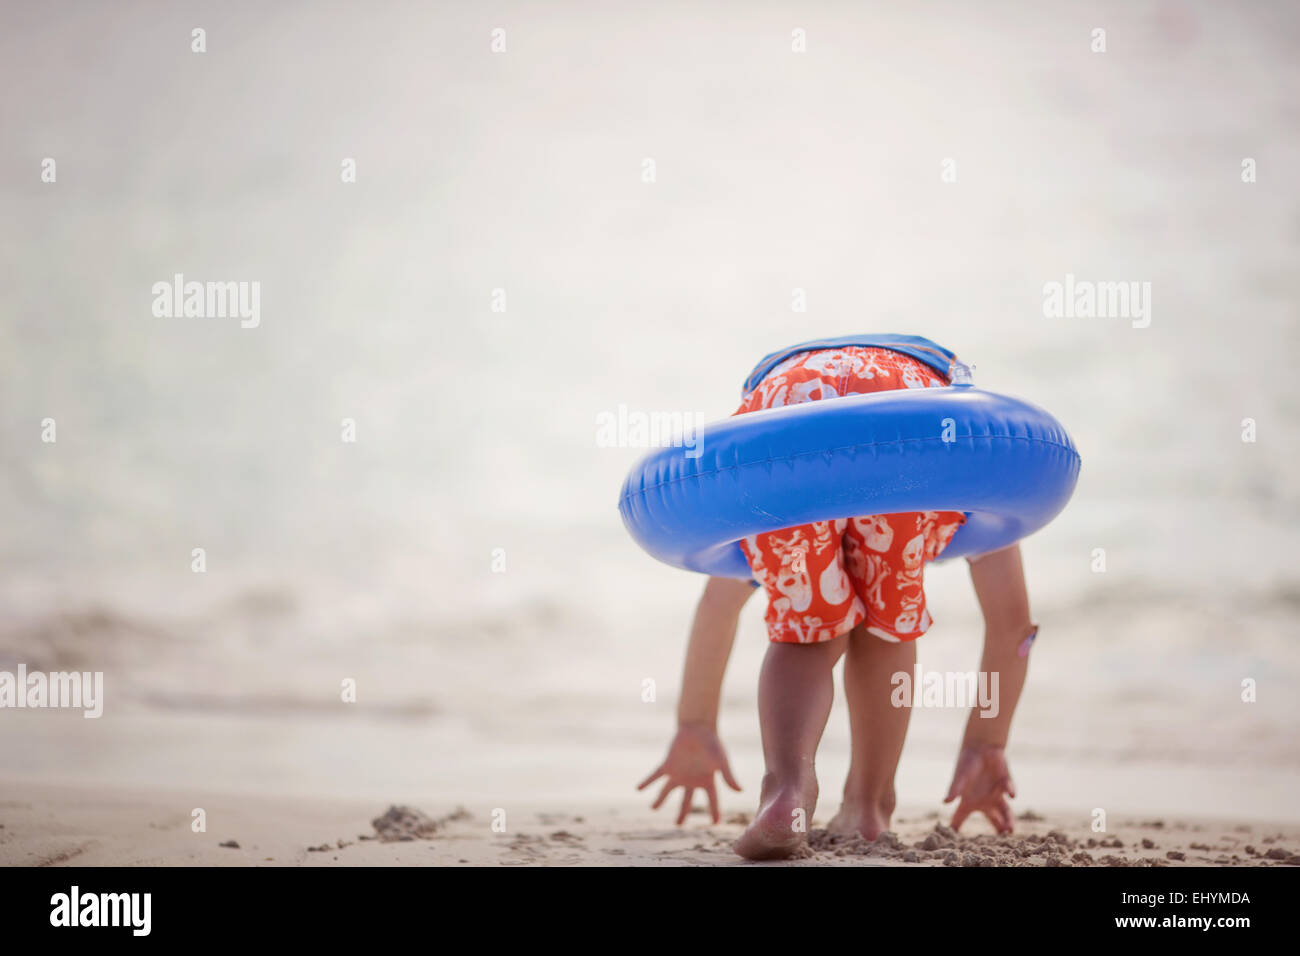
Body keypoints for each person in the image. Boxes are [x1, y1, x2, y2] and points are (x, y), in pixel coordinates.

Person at [636, 336, 1038, 860]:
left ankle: (787, 789)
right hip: (915, 414)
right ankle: (868, 808)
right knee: (887, 626)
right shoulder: (974, 501)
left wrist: (695, 725)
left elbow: (718, 608)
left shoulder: (761, 493)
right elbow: (1014, 628)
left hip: (783, 410)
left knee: (805, 630)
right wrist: (987, 744)